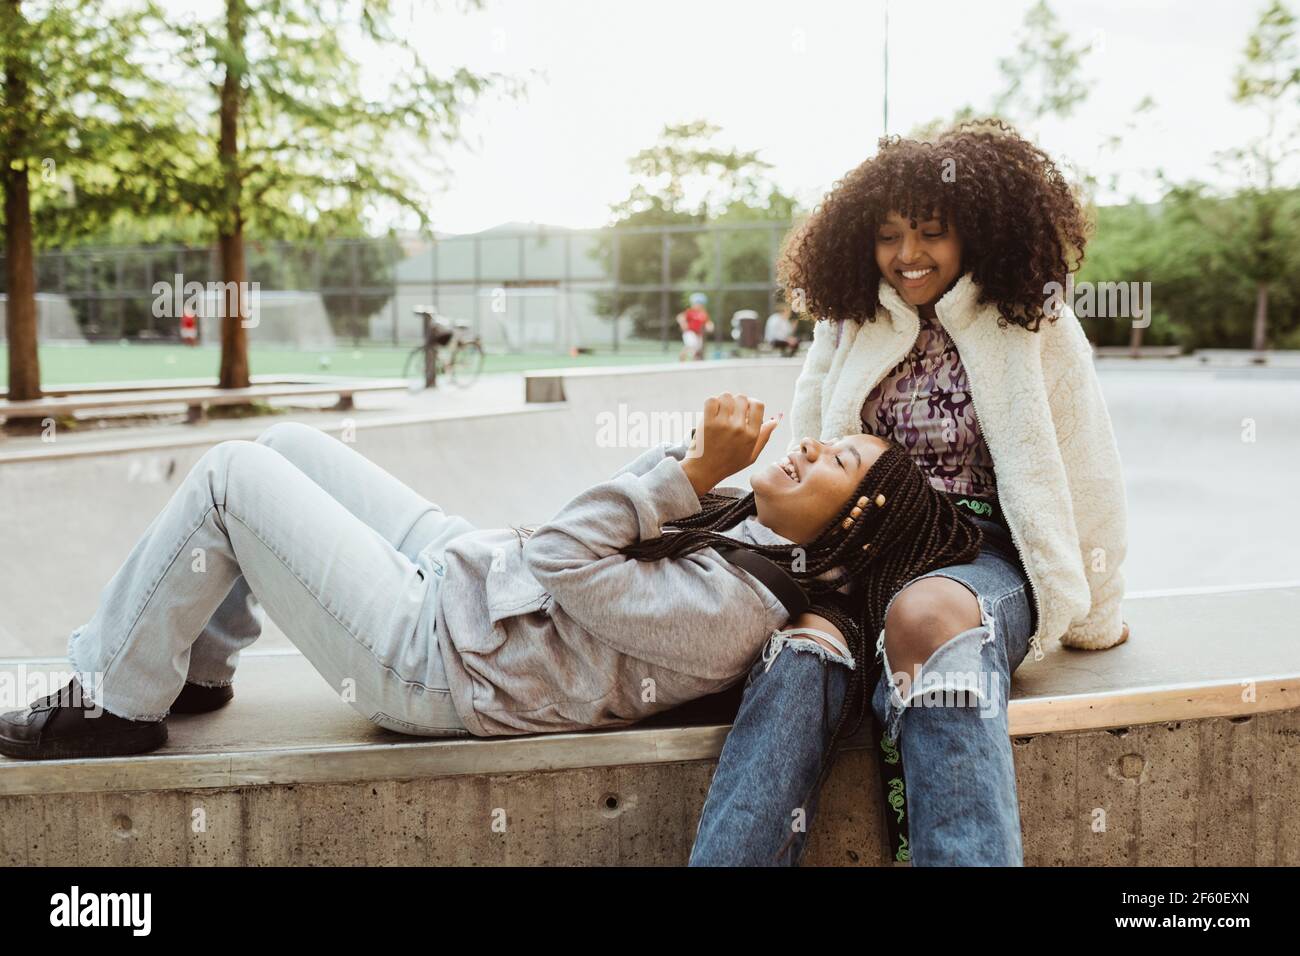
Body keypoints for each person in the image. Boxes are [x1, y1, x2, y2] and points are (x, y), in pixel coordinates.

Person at [0, 393, 981, 760]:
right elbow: (554, 558)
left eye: (839, 463)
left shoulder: (734, 611)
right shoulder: (753, 539)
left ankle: (118, 700)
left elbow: (564, 555)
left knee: (230, 477)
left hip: (438, 660)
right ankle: (200, 668)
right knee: (289, 442)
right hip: (469, 578)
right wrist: (696, 486)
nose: (811, 446)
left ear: (850, 532)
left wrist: (684, 469)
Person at [690, 119, 1132, 867]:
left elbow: (1085, 460)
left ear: (978, 232)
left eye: (931, 232)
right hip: (855, 554)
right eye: (889, 235)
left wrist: (1099, 608)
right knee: (801, 653)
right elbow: (806, 443)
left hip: (978, 553)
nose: (907, 255)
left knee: (926, 615)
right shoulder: (849, 320)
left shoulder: (1030, 317)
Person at [677, 292, 713, 361]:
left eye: (699, 304)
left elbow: (708, 322)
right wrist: (683, 324)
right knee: (691, 345)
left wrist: (710, 326)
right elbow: (680, 317)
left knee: (697, 349)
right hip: (689, 332)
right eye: (696, 303)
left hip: (698, 334)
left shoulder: (703, 313)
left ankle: (695, 363)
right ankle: (681, 360)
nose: (697, 305)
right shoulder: (690, 312)